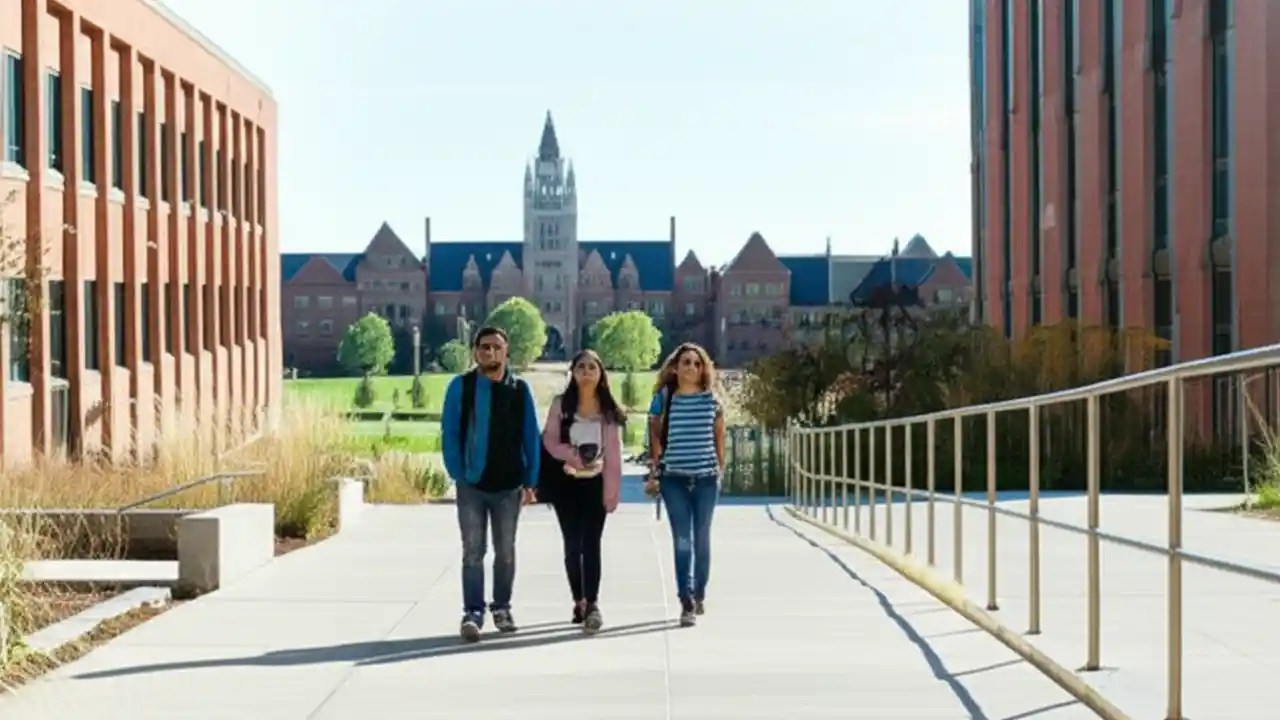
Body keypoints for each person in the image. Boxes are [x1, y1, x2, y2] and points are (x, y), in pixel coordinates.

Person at [440, 326, 541, 642]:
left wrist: (531, 481)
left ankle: (502, 608)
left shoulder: (519, 389)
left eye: (497, 347)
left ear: (506, 351)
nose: (490, 352)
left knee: (505, 552)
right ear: (475, 351)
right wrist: (458, 473)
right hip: (472, 484)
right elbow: (449, 433)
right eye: (485, 347)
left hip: (509, 486)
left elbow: (531, 437)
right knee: (473, 551)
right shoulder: (461, 387)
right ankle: (472, 613)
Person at [541, 349, 625, 634]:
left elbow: (613, 454)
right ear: (573, 373)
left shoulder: (607, 412)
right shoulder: (561, 405)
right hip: (565, 482)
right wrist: (573, 455)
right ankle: (578, 599)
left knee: (591, 544)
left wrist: (612, 492)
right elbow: (549, 440)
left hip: (595, 484)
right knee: (572, 545)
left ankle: (593, 604)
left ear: (601, 373)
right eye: (581, 367)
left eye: (592, 367)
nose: (586, 372)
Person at [645, 342, 725, 628]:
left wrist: (719, 470)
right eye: (686, 362)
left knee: (702, 538)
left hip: (706, 480)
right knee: (682, 539)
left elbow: (719, 439)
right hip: (674, 479)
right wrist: (655, 471)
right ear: (675, 367)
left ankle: (700, 592)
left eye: (697, 363)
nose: (691, 367)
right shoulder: (664, 398)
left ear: (704, 369)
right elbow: (655, 436)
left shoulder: (712, 400)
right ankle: (686, 599)